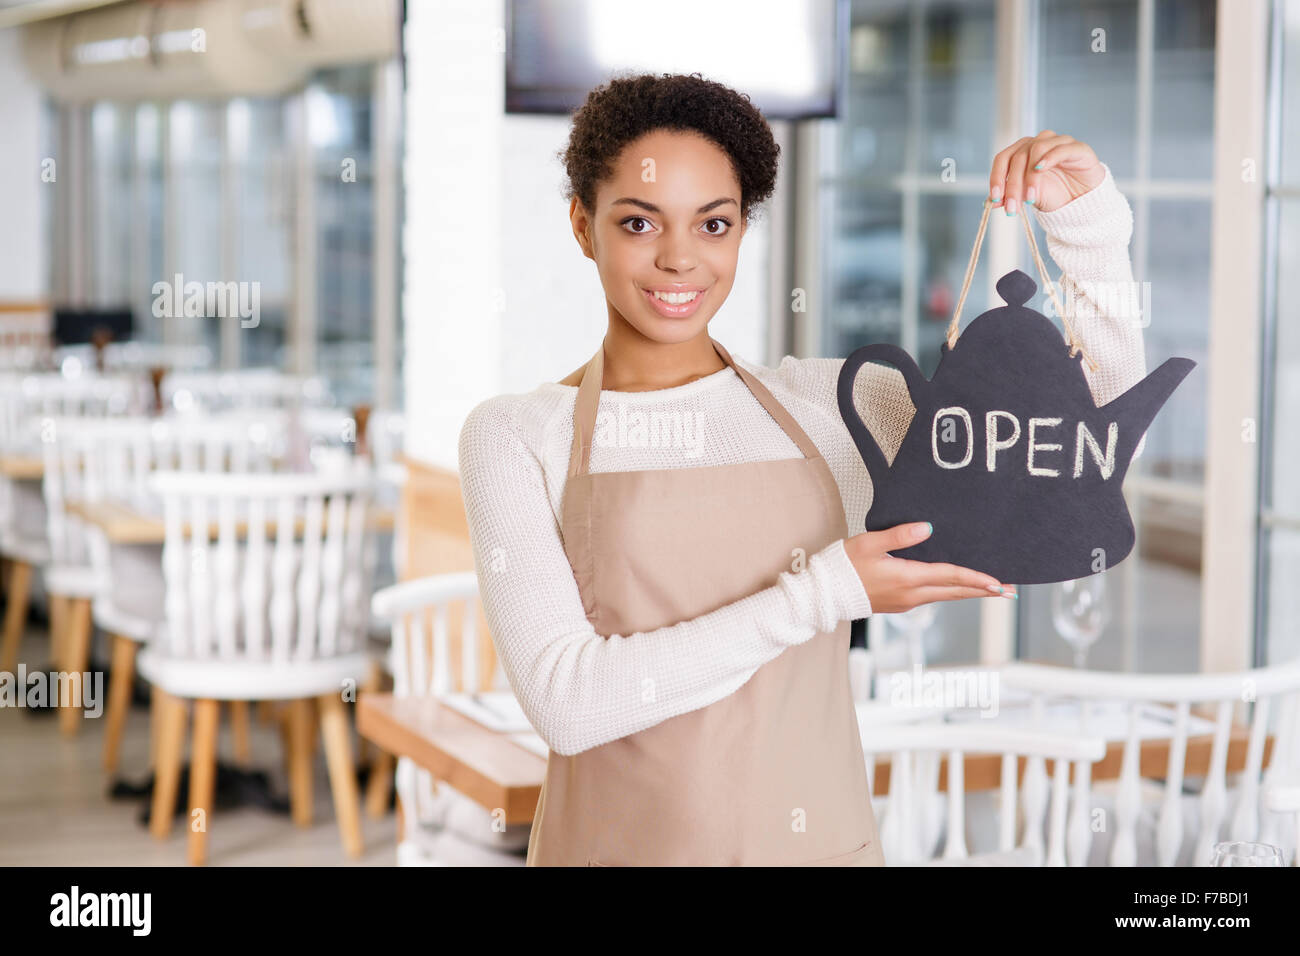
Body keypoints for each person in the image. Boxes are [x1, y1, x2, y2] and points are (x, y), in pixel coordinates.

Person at [458, 73, 1148, 866]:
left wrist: (1086, 231)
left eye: (713, 223)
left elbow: (1075, 451)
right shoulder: (516, 437)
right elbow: (568, 703)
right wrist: (828, 593)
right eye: (640, 222)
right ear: (584, 225)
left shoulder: (832, 406)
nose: (680, 258)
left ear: (742, 232)